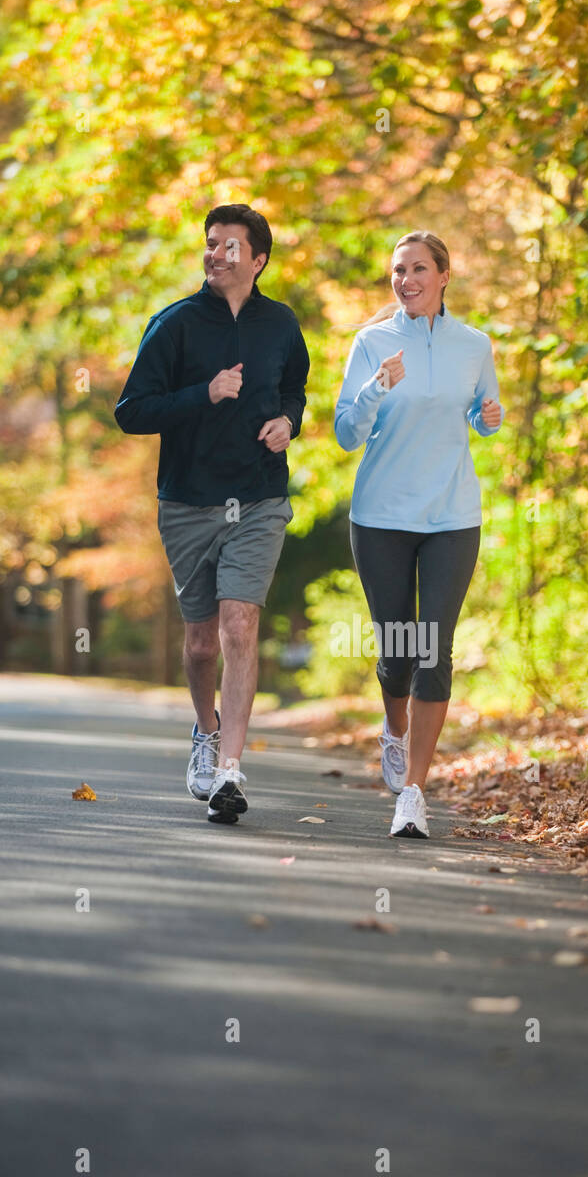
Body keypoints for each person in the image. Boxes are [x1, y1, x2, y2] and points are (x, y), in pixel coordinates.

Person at [115, 204, 310, 823]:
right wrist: (204, 393)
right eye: (211, 244)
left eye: (231, 247)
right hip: (189, 501)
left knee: (239, 625)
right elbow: (132, 412)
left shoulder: (281, 324)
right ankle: (205, 730)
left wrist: (289, 423)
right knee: (201, 644)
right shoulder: (173, 325)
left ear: (258, 261)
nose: (217, 254)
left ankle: (230, 770)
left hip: (258, 498)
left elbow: (295, 388)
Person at [334, 231, 503, 838]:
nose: (406, 280)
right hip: (380, 517)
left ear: (444, 276)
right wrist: (375, 387)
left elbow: (481, 414)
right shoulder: (372, 342)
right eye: (397, 272)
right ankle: (395, 728)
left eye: (417, 269)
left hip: (452, 517)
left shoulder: (475, 345)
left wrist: (488, 418)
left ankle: (413, 794)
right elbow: (347, 435)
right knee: (397, 653)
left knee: (434, 649)